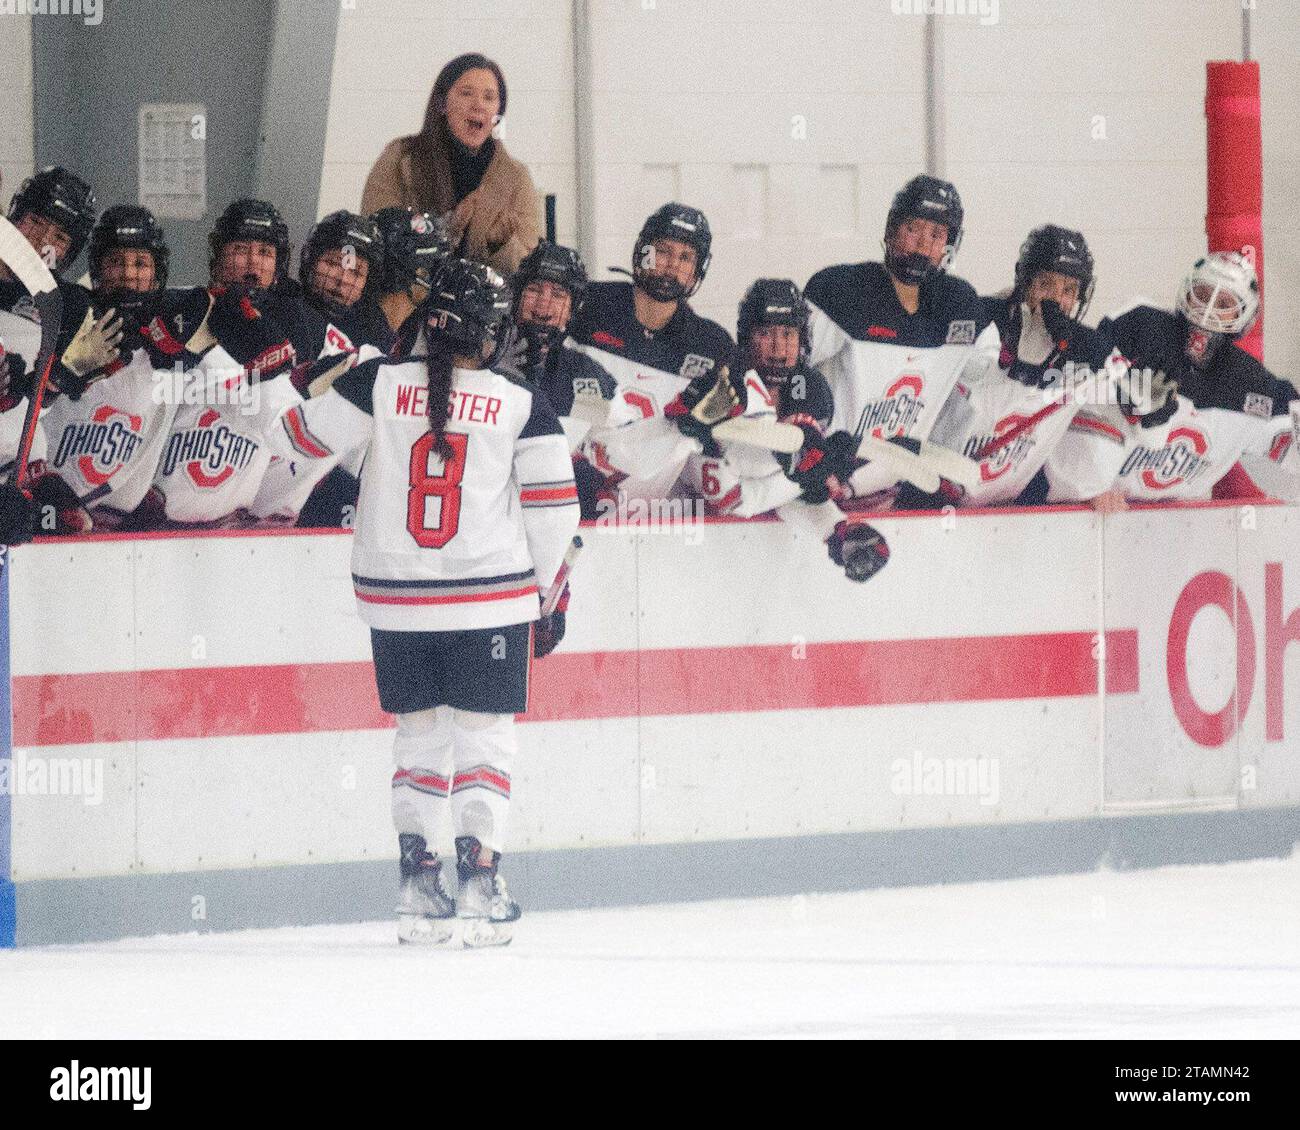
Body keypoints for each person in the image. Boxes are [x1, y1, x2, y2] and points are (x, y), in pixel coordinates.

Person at [274, 258, 580, 946]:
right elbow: (556, 514)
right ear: (491, 332)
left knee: (417, 739)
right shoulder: (522, 400)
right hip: (488, 602)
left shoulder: (375, 381)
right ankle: (479, 880)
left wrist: (301, 386)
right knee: (484, 740)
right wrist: (550, 595)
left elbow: (289, 444)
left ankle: (418, 885)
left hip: (393, 603)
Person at [804, 175, 1000, 506]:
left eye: (936, 235)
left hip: (901, 488)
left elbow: (981, 384)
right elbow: (788, 374)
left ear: (949, 245)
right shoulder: (840, 290)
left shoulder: (960, 304)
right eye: (914, 229)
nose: (924, 243)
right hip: (827, 482)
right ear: (892, 230)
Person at [1044, 251, 1299, 505]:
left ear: (1243, 315)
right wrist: (1087, 486)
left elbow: (1289, 428)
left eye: (1223, 304)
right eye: (1203, 295)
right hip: (1089, 504)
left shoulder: (1248, 379)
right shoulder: (1143, 324)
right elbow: (1080, 383)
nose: (1208, 309)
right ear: (1187, 293)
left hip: (1170, 519)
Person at [674, 278, 887, 582]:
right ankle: (834, 525)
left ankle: (840, 534)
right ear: (747, 337)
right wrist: (820, 467)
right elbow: (734, 494)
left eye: (788, 334)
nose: (778, 347)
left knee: (802, 473)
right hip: (687, 496)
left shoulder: (810, 385)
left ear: (803, 338)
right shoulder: (726, 378)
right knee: (772, 480)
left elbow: (799, 451)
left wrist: (816, 463)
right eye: (765, 333)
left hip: (752, 499)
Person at [906, 225, 1122, 509]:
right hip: (927, 501)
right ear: (1025, 282)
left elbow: (1128, 408)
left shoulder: (1084, 349)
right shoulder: (981, 320)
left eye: (1068, 290)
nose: (1057, 301)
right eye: (1046, 285)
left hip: (1007, 510)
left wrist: (1095, 483)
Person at [40, 204, 211, 530]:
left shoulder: (172, 331)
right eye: (116, 262)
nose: (129, 273)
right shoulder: (68, 315)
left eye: (140, 263)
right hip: (47, 502)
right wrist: (62, 374)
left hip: (118, 518)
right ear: (97, 269)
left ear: (156, 270)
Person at [563, 202, 734, 513]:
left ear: (699, 268)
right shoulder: (588, 306)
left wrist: (709, 423)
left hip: (657, 509)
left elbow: (725, 433)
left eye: (685, 257)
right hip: (573, 488)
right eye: (664, 250)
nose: (672, 264)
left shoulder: (712, 345)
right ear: (643, 251)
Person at [361, 53, 540, 275]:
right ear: (442, 104)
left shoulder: (516, 177)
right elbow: (375, 241)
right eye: (466, 93)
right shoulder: (400, 158)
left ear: (498, 112)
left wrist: (500, 245)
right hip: (409, 304)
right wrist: (445, 230)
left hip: (482, 308)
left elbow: (530, 275)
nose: (479, 106)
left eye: (489, 97)